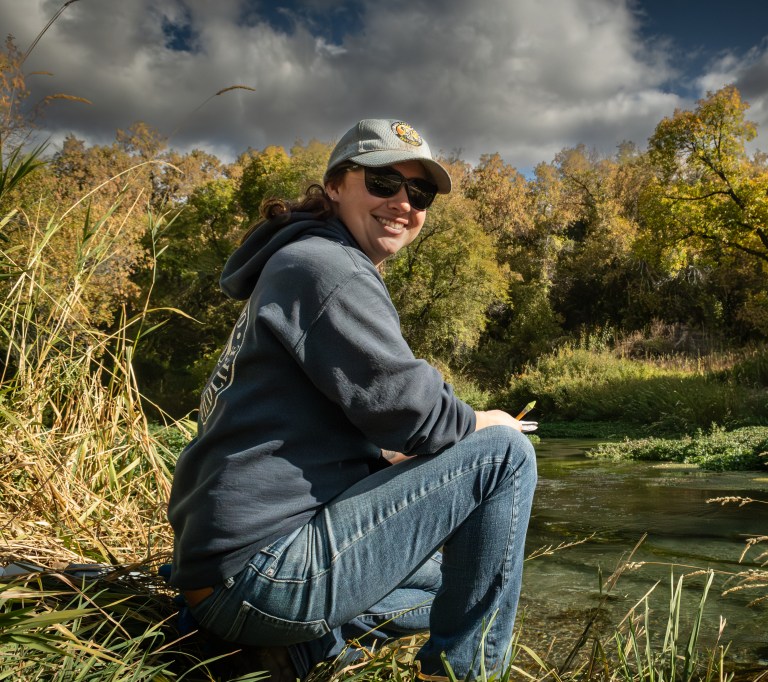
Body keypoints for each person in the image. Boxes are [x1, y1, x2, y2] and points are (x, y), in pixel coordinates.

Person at [167, 118, 537, 681]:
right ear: (336, 184)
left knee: (458, 577)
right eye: (384, 182)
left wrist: (390, 455)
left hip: (223, 576)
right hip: (260, 574)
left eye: (420, 193)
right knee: (506, 456)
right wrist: (486, 422)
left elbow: (352, 421)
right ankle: (462, 676)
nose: (403, 203)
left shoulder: (305, 262)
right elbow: (414, 412)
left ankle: (295, 651)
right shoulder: (325, 267)